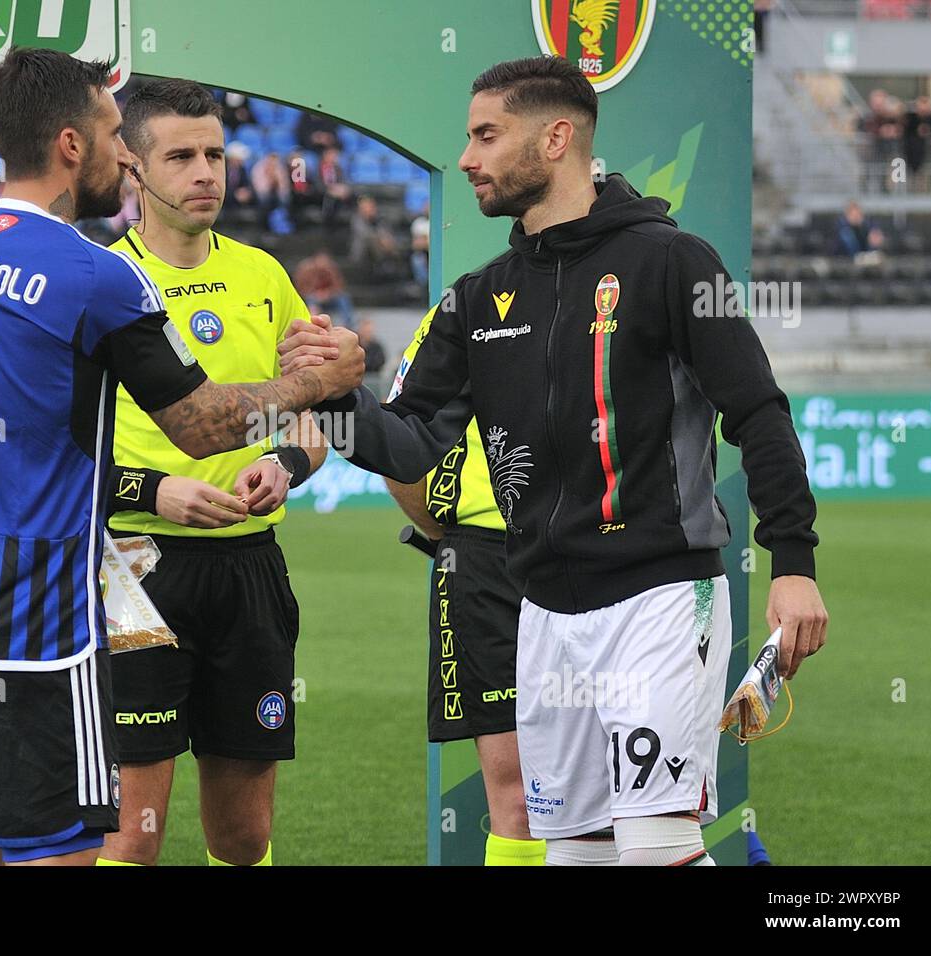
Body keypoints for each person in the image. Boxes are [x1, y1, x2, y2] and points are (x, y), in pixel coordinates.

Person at [281, 56, 827, 866]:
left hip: (661, 600)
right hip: (543, 616)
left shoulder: (673, 263)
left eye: (486, 135)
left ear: (558, 138)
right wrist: (331, 393)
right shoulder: (477, 296)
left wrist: (793, 560)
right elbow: (410, 440)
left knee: (655, 849)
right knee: (574, 855)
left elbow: (758, 412)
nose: (467, 157)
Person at [0, 49, 361, 867]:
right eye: (117, 134)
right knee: (76, 849)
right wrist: (319, 380)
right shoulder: (95, 274)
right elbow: (203, 425)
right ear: (71, 144)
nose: (125, 155)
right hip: (45, 619)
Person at [98, 80, 327, 868]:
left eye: (216, 155)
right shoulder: (100, 283)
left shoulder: (264, 276)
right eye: (182, 156)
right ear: (131, 166)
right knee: (132, 834)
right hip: (130, 569)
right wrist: (153, 490)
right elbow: (56, 452)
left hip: (251, 568)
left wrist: (286, 462)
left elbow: (317, 410)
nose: (206, 173)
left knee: (244, 834)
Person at [384, 306, 542, 867]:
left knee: (610, 792)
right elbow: (396, 438)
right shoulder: (470, 305)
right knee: (520, 798)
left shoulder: (618, 290)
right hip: (483, 565)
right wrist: (447, 533)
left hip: (602, 561)